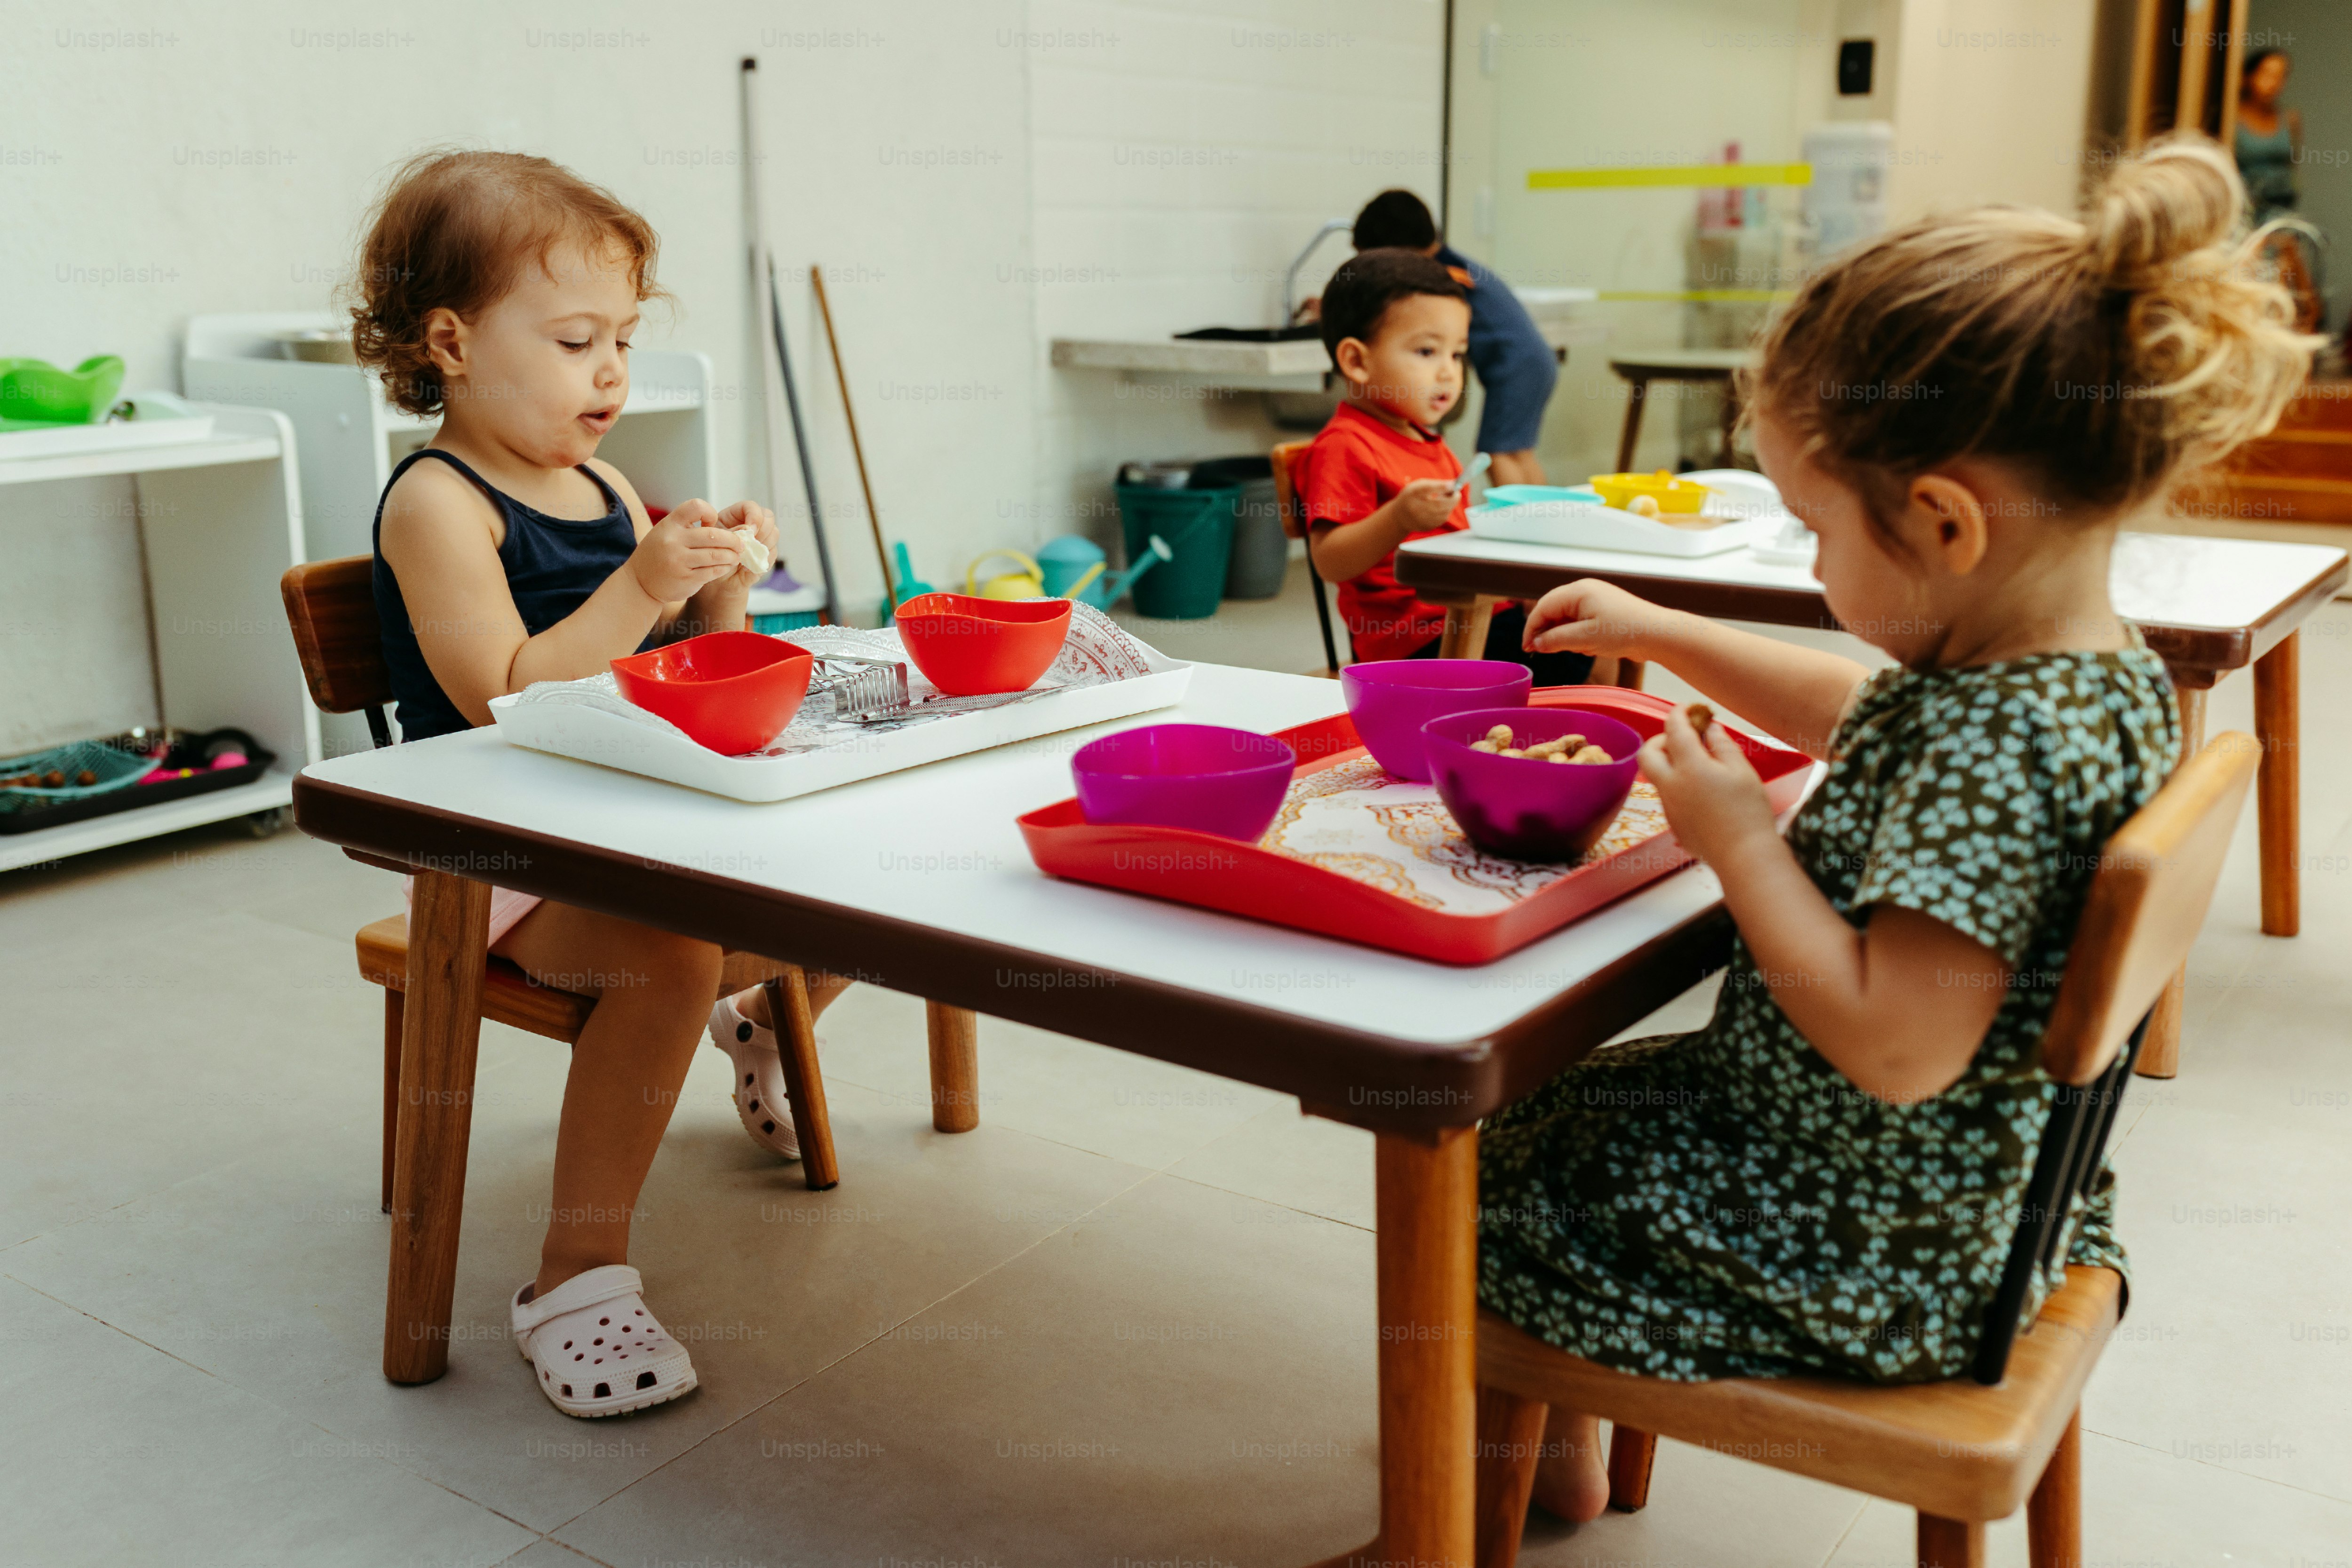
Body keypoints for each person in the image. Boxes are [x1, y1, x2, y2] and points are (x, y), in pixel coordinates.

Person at [1478, 138, 2312, 1523]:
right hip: (1970, 1194)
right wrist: (1666, 628)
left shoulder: (1996, 746)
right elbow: (1862, 702)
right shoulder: (2076, 670)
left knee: (1487, 1158)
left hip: (1865, 1243)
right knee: (1568, 1098)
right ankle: (1558, 1441)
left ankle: (1464, 1506)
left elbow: (1896, 1043)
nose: (1808, 566)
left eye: (1812, 530)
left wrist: (1739, 839)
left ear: (1940, 521)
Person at [353, 150, 845, 1418]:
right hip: (493, 859)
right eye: (577, 339)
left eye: (623, 336)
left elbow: (668, 663)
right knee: (670, 955)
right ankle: (573, 1280)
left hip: (618, 820)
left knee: (864, 872)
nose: (614, 371)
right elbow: (504, 695)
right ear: (451, 343)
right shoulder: (437, 505)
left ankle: (755, 1033)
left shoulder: (608, 484)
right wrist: (644, 580)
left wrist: (722, 573)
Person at [1298, 249, 1591, 682]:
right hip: (1414, 645)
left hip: (1470, 614)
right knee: (1579, 645)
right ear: (1357, 361)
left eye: (1457, 355)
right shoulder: (1345, 445)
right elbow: (1330, 561)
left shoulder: (1428, 441)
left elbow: (1459, 543)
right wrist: (1398, 518)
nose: (1449, 373)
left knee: (1592, 618)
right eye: (1427, 351)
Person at [1351, 188, 1558, 487]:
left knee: (1498, 452)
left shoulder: (1440, 275)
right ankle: (1542, 522)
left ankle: (1523, 523)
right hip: (1531, 361)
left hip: (1515, 366)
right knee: (1518, 452)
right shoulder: (1452, 264)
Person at [2235, 48, 2300, 224]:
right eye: (2267, 74)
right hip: (2242, 211)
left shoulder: (2289, 119)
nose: (2274, 83)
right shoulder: (2232, 119)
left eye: (2281, 76)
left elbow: (2291, 166)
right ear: (2247, 77)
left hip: (2282, 210)